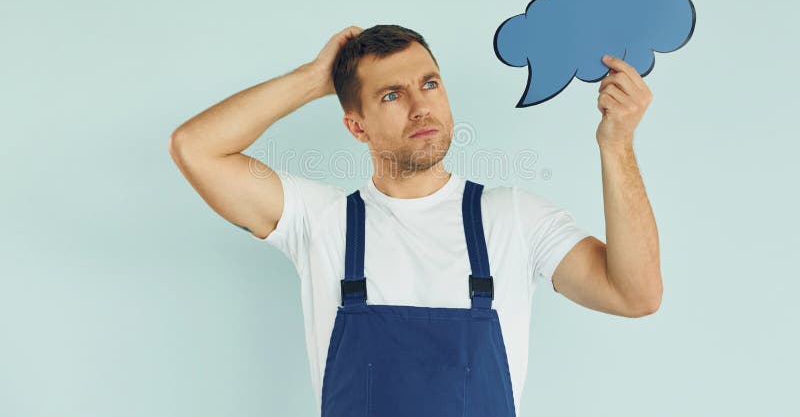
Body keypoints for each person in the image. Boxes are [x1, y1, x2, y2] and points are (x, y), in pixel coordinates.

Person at [168, 24, 662, 416]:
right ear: (355, 126)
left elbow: (635, 294)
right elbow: (196, 148)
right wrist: (316, 78)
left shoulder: (512, 216)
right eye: (391, 95)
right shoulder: (322, 222)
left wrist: (616, 144)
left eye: (429, 84)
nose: (421, 106)